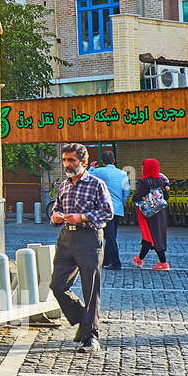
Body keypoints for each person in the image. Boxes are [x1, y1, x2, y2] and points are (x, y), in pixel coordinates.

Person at [49, 143, 114, 352]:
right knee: (57, 285)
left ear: (83, 162)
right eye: (65, 160)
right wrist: (55, 216)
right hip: (66, 238)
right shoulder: (64, 185)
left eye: (72, 161)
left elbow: (107, 212)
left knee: (91, 288)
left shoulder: (96, 184)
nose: (67, 165)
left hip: (89, 239)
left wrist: (83, 217)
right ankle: (85, 319)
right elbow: (58, 207)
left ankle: (91, 336)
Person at [89, 151, 131, 270]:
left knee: (109, 236)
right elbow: (126, 191)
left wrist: (91, 167)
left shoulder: (99, 171)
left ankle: (116, 262)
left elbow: (87, 176)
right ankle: (106, 261)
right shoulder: (123, 174)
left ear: (102, 161)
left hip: (104, 209)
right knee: (111, 235)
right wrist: (121, 203)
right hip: (117, 208)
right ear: (114, 161)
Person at [131, 158, 170, 270]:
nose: (142, 168)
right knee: (152, 235)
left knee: (152, 235)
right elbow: (166, 197)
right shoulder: (161, 181)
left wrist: (134, 198)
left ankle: (163, 262)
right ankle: (140, 259)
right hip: (160, 212)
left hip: (149, 213)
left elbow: (138, 196)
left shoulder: (145, 182)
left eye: (144, 166)